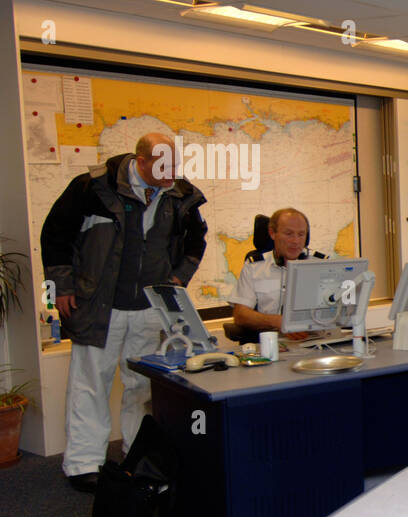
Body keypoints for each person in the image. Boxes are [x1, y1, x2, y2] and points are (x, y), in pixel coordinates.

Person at [41, 132, 208, 493]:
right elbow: (55, 235)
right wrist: (62, 288)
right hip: (99, 303)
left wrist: (179, 278)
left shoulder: (181, 195)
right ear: (140, 160)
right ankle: (85, 463)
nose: (171, 172)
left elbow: (196, 242)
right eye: (163, 165)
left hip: (151, 306)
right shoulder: (92, 187)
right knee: (90, 383)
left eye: (175, 165)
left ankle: (137, 454)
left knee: (142, 386)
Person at [229, 208, 325, 340]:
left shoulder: (323, 266)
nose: (296, 241)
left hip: (318, 344)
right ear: (272, 233)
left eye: (301, 234)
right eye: (289, 233)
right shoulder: (254, 267)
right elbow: (240, 315)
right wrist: (277, 322)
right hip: (273, 345)